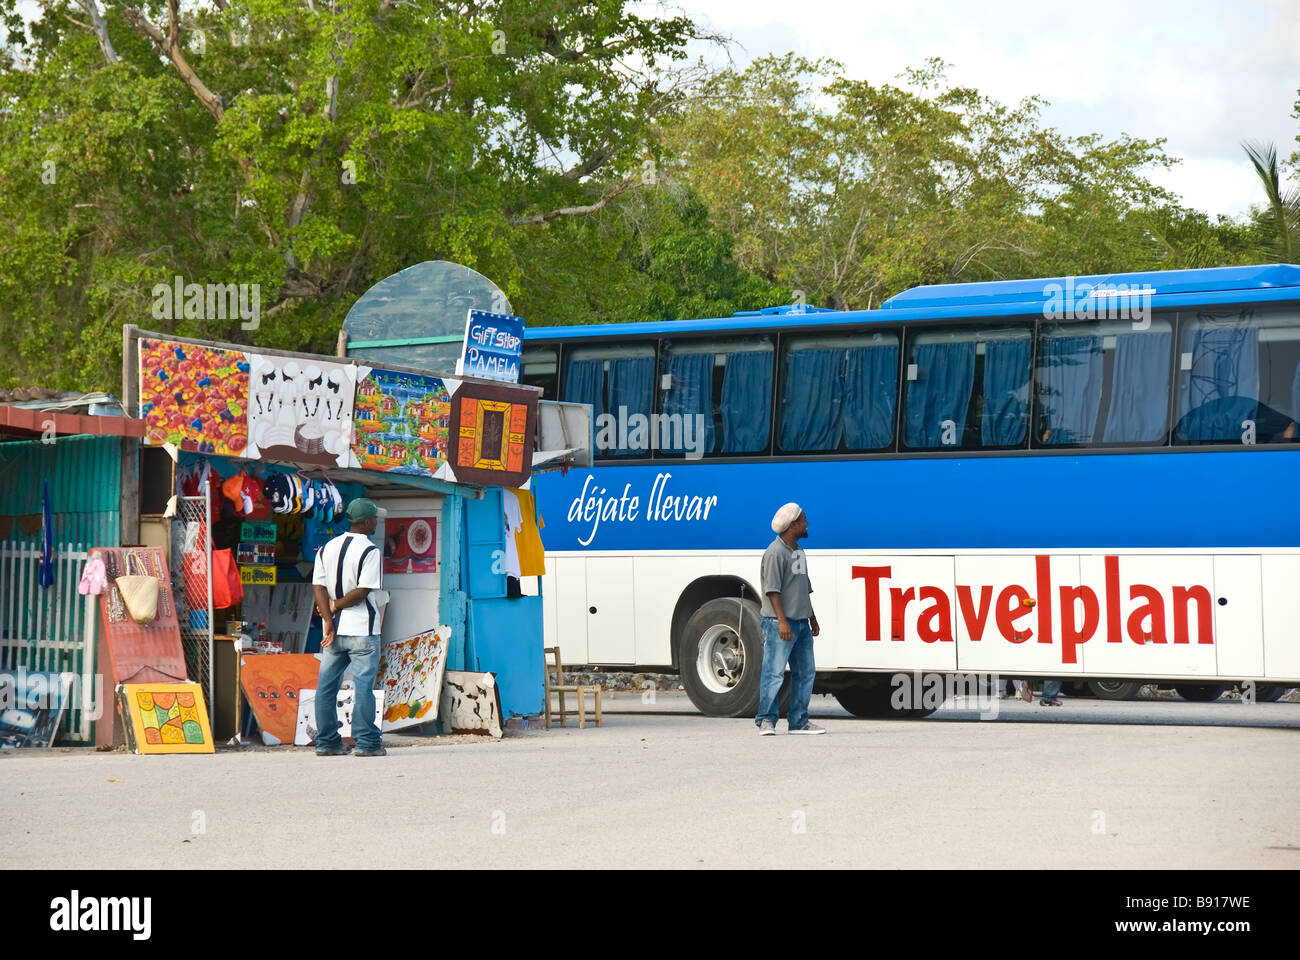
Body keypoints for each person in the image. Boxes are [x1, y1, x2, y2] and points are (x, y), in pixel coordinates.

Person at [311, 497, 386, 757]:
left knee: (326, 687)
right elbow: (363, 591)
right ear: (366, 522)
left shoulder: (327, 548)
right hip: (362, 629)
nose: (377, 521)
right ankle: (366, 743)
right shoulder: (370, 551)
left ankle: (327, 742)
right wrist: (336, 607)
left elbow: (318, 587)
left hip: (333, 631)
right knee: (363, 686)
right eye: (375, 518)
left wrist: (329, 619)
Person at [755, 502, 825, 736]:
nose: (807, 524)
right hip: (779, 623)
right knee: (773, 673)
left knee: (805, 672)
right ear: (793, 525)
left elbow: (804, 588)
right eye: (803, 520)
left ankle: (798, 721)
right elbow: (772, 590)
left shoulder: (798, 552)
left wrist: (812, 618)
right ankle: (766, 720)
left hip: (801, 622)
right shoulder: (775, 553)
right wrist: (782, 621)